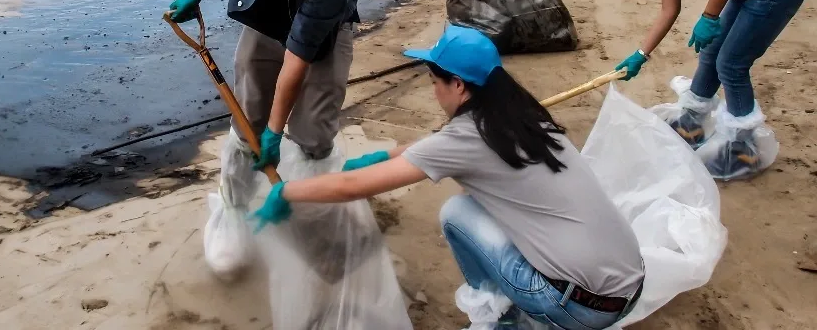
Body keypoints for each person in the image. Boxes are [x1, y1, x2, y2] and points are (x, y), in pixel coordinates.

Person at [253, 25, 646, 330]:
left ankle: (496, 316)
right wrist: (382, 155)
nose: (435, 93)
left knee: (457, 213)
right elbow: (445, 145)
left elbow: (352, 187)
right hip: (627, 288)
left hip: (578, 307)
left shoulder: (468, 135)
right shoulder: (522, 115)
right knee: (482, 204)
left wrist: (288, 192)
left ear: (457, 85)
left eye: (435, 83)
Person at [167, 0, 358, 274]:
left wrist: (275, 131)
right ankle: (232, 218)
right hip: (265, 21)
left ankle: (310, 218)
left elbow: (299, 58)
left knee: (313, 132)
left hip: (321, 35)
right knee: (246, 122)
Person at [594, 0, 808, 180]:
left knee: (731, 63)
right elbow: (669, 9)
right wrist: (641, 54)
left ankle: (744, 149)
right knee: (711, 53)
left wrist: (710, 16)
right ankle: (691, 123)